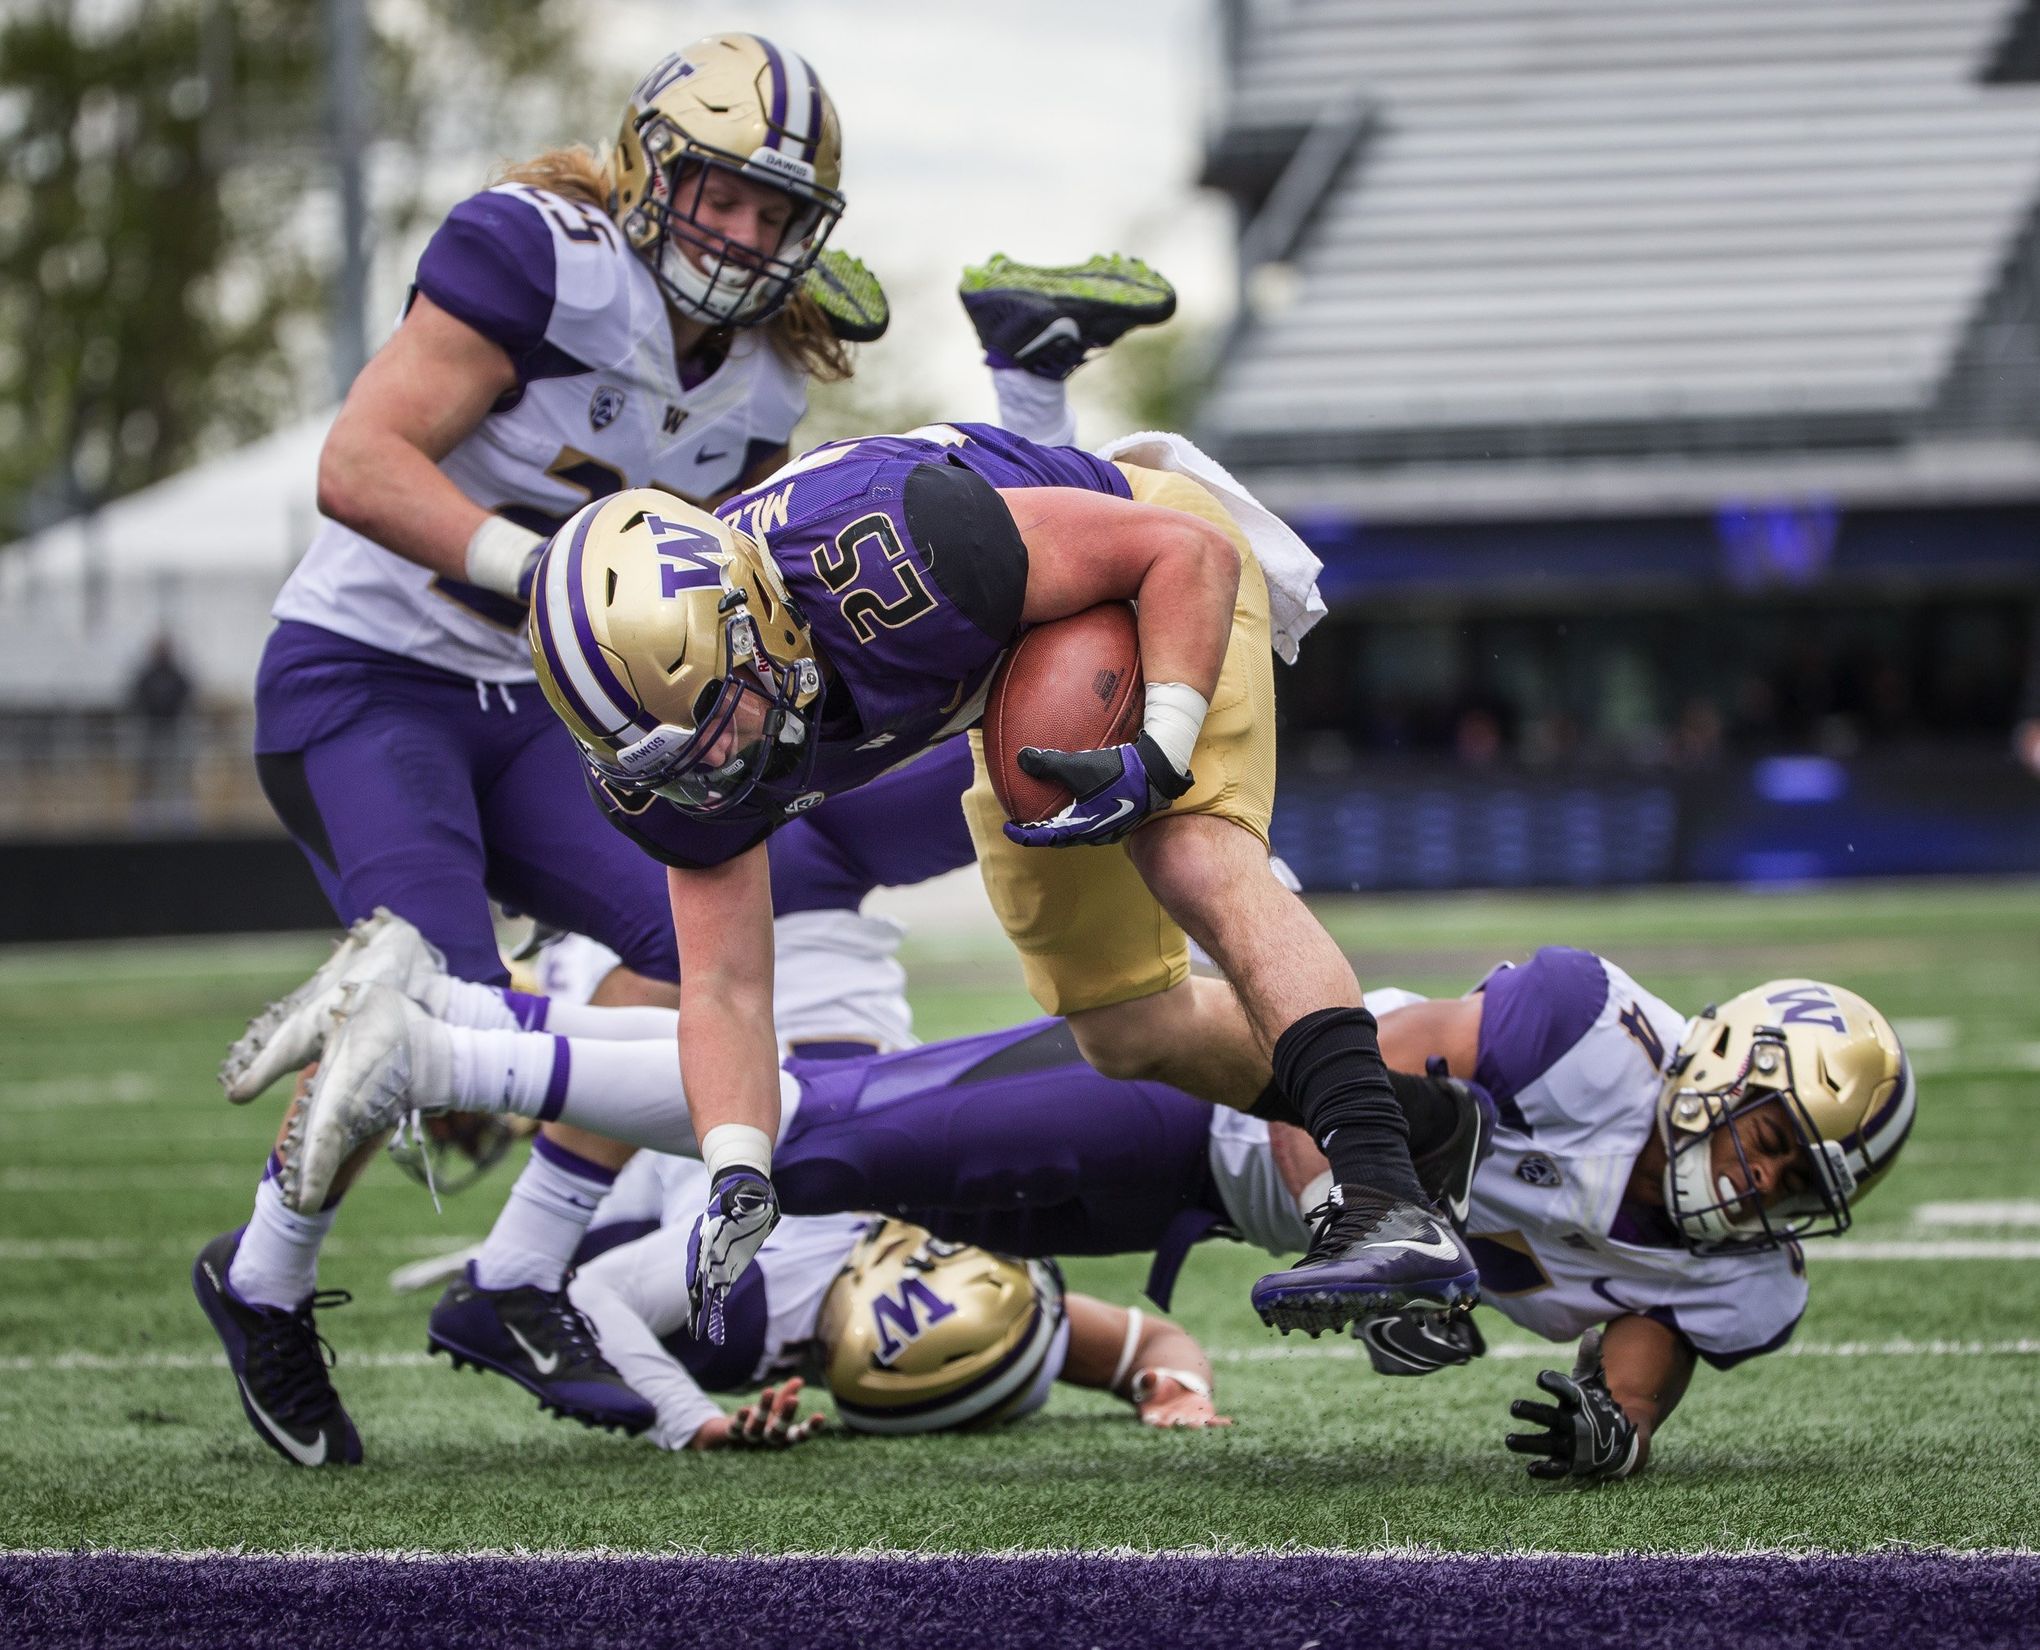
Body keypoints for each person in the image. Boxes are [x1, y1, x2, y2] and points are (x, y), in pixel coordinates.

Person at [199, 22, 1178, 1460]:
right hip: (373, 674)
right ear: (649, 171)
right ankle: (265, 1275)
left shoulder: (771, 379)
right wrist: (532, 570)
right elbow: (360, 463)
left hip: (537, 704)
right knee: (440, 1001)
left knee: (685, 943)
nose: (736, 229)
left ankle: (522, 1275)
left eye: (772, 209)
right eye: (716, 191)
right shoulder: (537, 254)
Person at [441, 415, 1477, 1346]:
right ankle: (1425, 1128)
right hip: (1001, 679)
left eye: (720, 722)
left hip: (1138, 568)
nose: (715, 769)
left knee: (1190, 850)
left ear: (757, 611)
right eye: (674, 761)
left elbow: (1186, 552)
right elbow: (724, 988)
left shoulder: (891, 544)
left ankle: (1384, 1194)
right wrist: (737, 1164)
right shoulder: (674, 773)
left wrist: (1160, 749)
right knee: (1123, 1027)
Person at [280, 908, 1909, 1480]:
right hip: (1202, 1112)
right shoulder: (1581, 1028)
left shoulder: (1744, 1274)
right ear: (1718, 1064)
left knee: (829, 1146)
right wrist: (1377, 1223)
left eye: (1793, 1182)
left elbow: (1656, 1332)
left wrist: (1619, 1432)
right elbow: (1329, 1072)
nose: (1757, 1183)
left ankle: (455, 1048)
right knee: (822, 1136)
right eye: (1766, 1136)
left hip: (1208, 1191)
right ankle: (443, 1043)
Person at [557, 1198, 1229, 1451]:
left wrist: (1176, 1389)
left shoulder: (999, 1327)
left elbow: (1153, 1345)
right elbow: (592, 1297)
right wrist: (691, 1420)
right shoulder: (771, 1252)